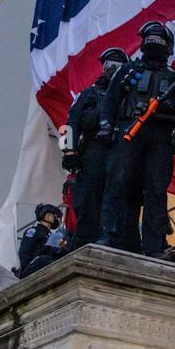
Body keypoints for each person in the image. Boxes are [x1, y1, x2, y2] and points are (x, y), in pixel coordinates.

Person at [96, 21, 175, 257]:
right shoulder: (128, 72)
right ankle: (109, 234)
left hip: (160, 137)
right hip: (129, 132)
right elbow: (110, 100)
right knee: (118, 183)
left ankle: (154, 245)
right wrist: (106, 127)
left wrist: (173, 104)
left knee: (156, 189)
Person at [64, 47, 130, 249]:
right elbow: (71, 122)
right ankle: (84, 244)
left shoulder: (129, 94)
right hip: (93, 152)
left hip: (121, 152)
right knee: (88, 200)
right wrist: (69, 151)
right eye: (109, 64)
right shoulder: (90, 94)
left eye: (117, 65)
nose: (112, 69)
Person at [16, 203, 62, 274]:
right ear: (48, 216)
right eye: (55, 216)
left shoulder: (51, 235)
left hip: (46, 268)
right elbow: (24, 252)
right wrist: (24, 271)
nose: (57, 219)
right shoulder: (34, 231)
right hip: (32, 269)